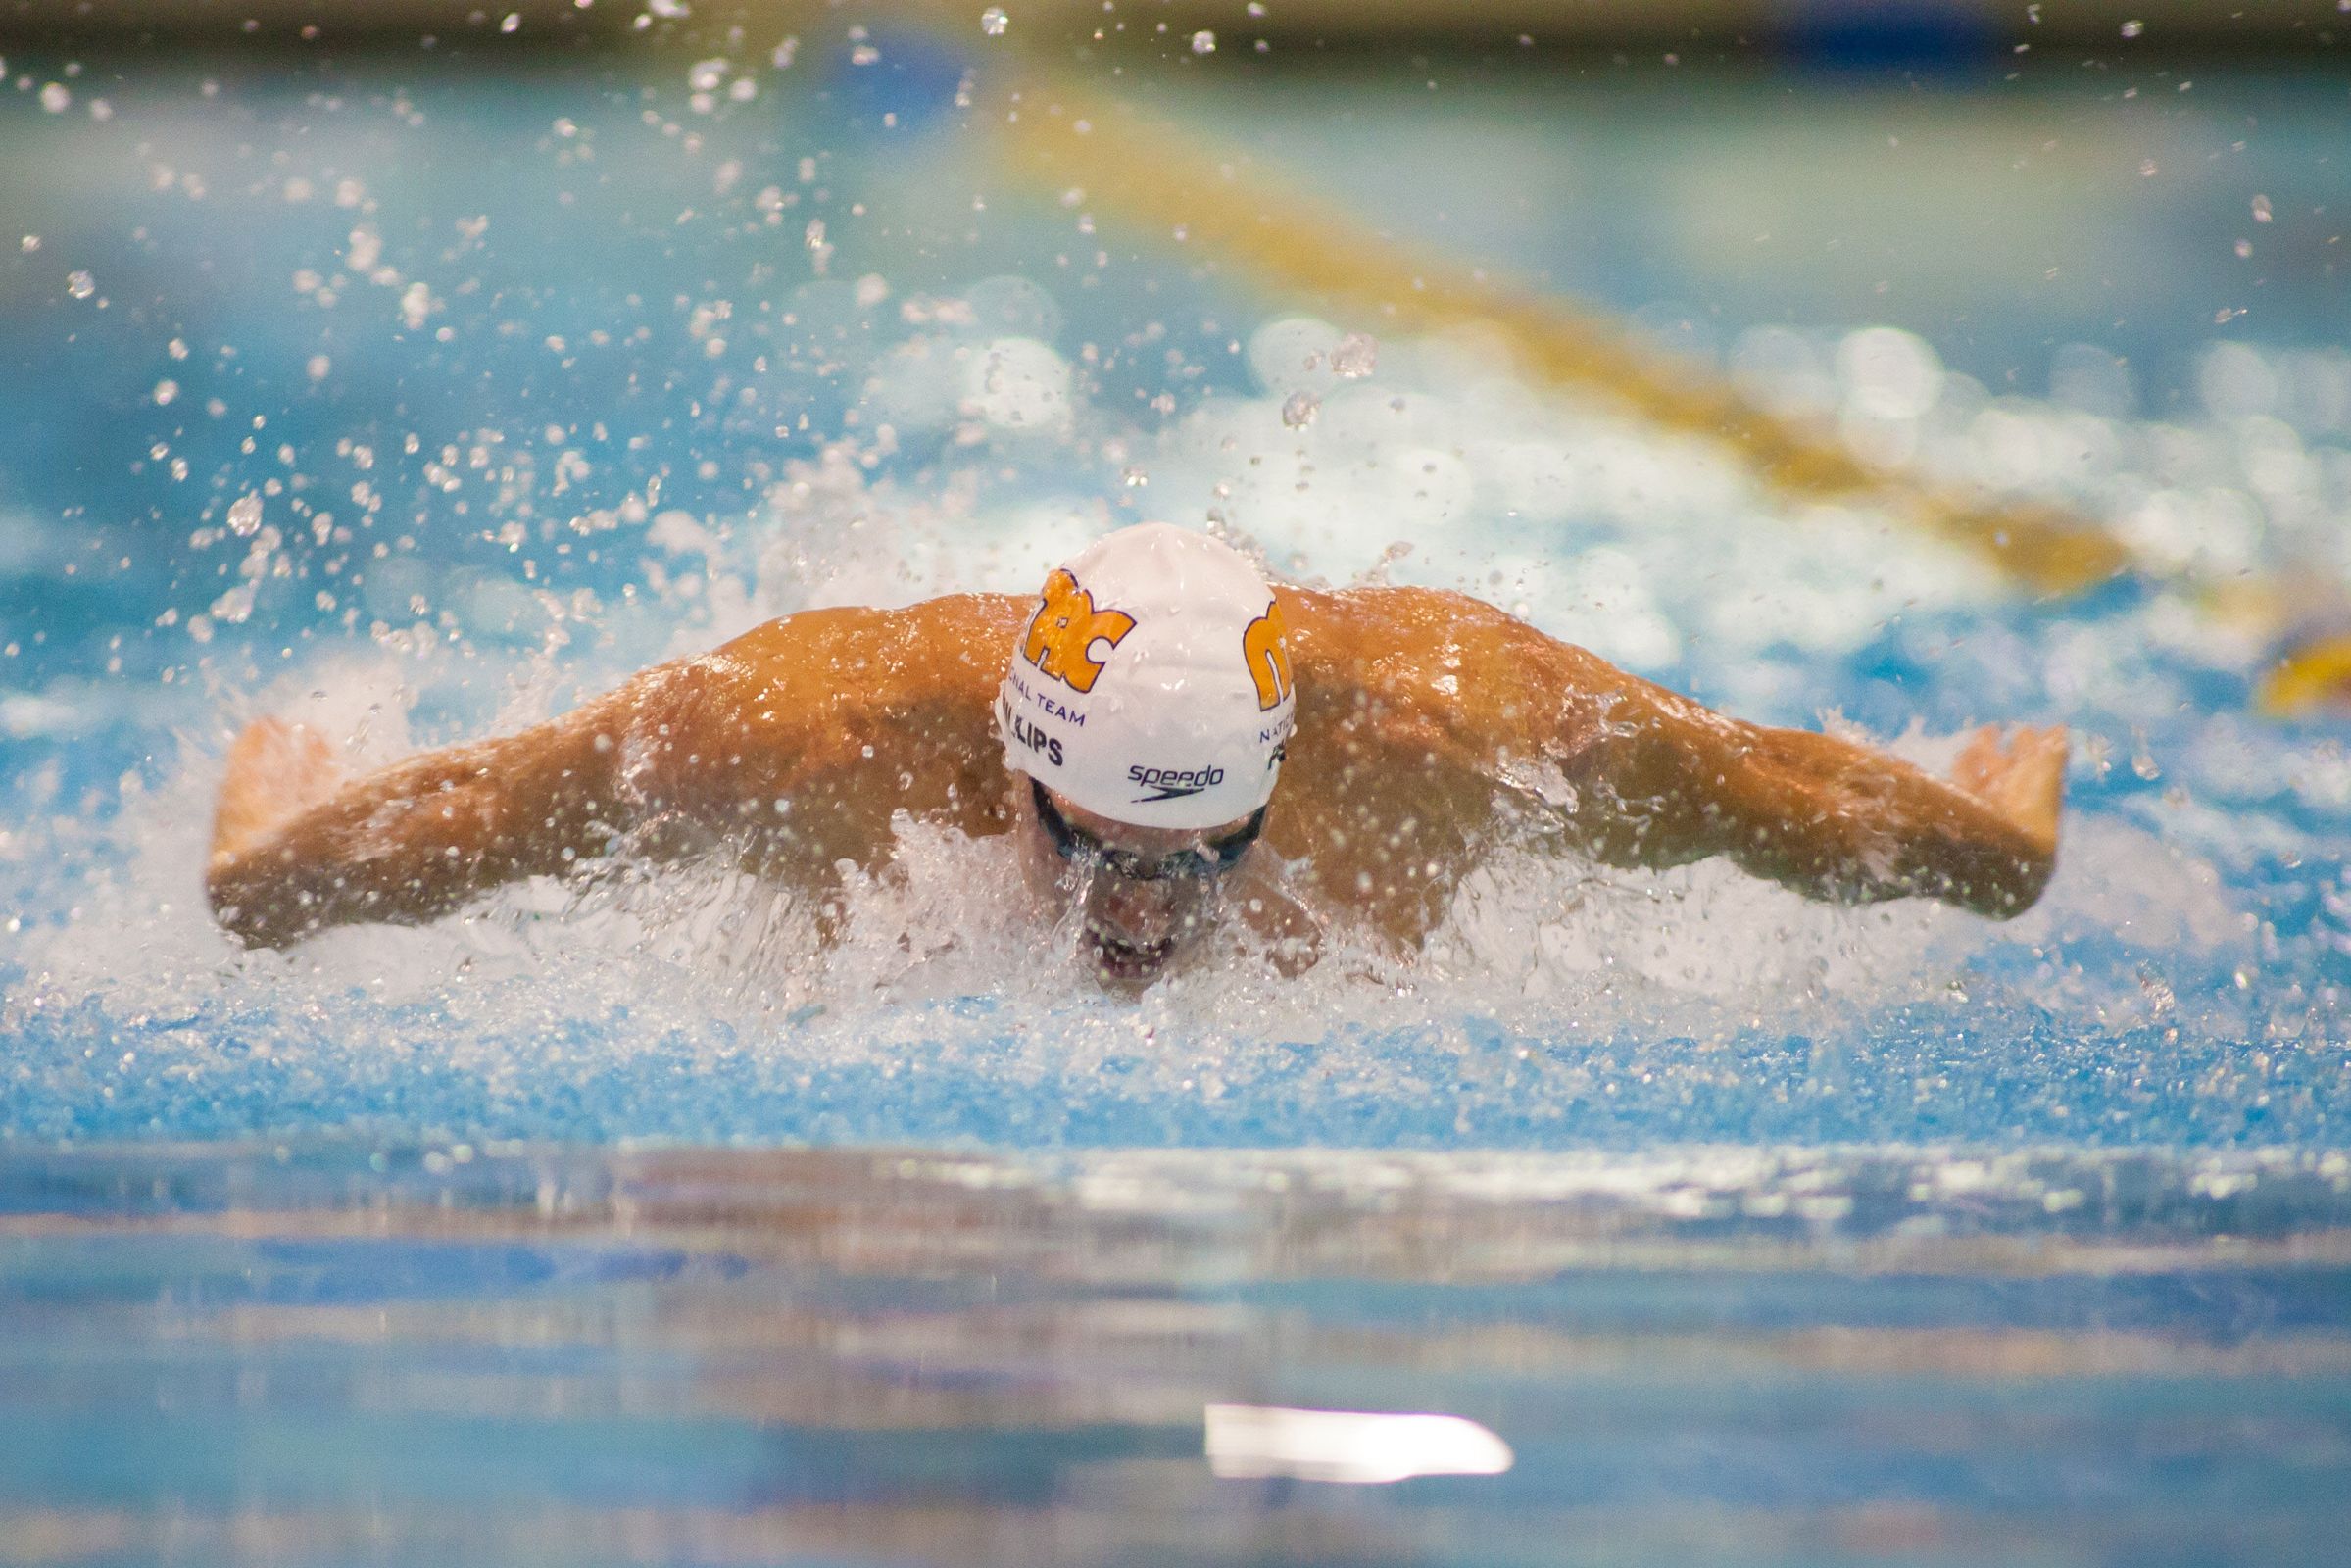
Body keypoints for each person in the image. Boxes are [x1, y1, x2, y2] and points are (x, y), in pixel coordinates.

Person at [208, 523, 2066, 985]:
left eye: (1200, 859)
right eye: (1083, 839)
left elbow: (1782, 803)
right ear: (1008, 759)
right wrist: (268, 853)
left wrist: (1996, 838)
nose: (1132, 909)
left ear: (1288, 777)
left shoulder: (1454, 724)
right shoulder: (806, 730)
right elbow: (490, 812)